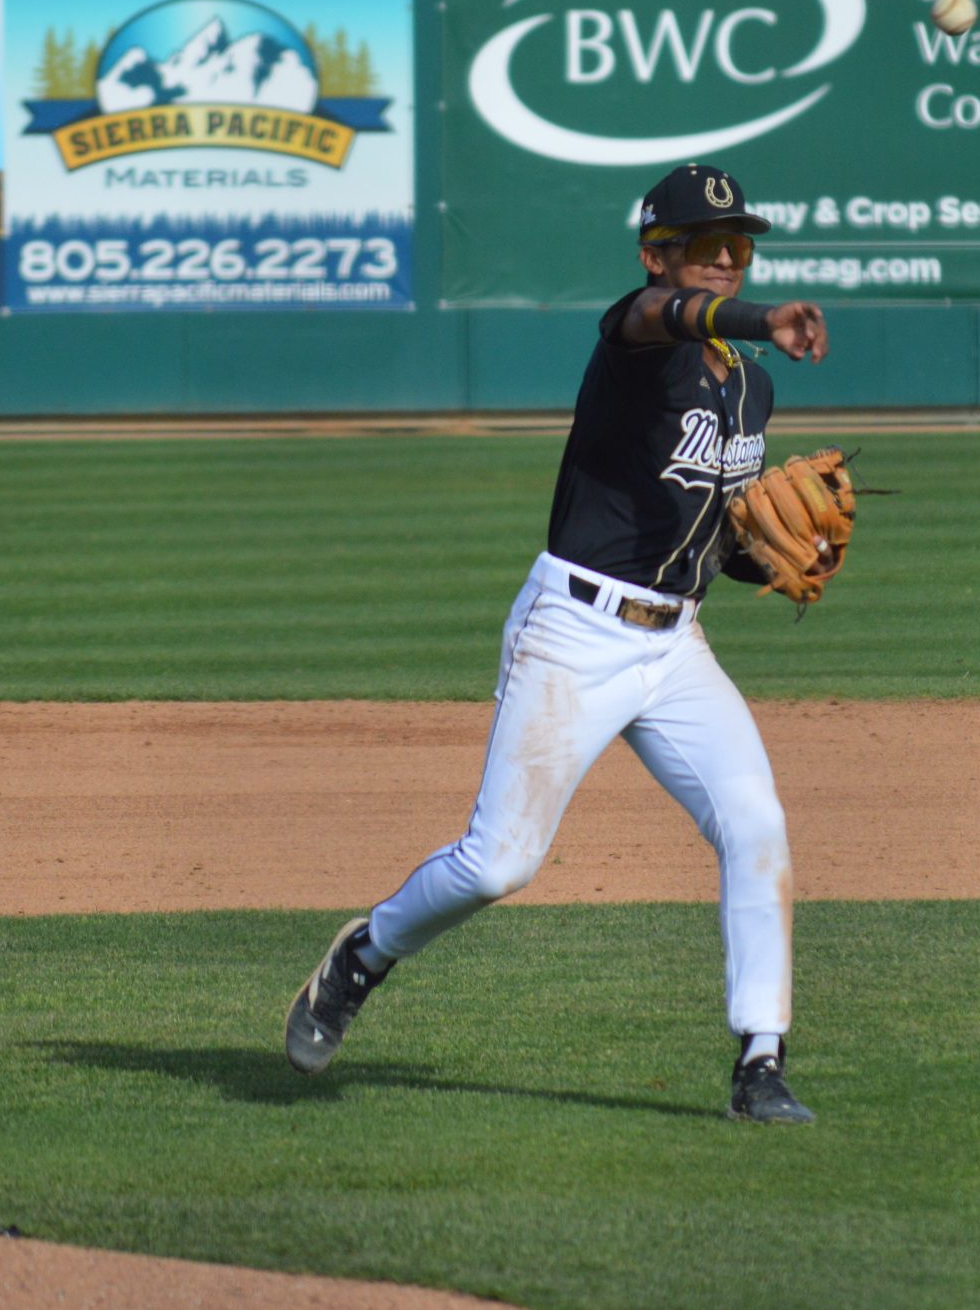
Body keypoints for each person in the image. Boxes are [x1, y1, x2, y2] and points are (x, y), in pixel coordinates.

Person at [285, 161, 831, 1124]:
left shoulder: (751, 395)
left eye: (738, 248)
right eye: (706, 248)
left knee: (757, 824)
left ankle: (760, 1060)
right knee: (500, 864)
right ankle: (363, 956)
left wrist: (774, 559)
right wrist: (765, 318)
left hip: (675, 649)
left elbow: (712, 536)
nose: (726, 263)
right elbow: (665, 317)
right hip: (573, 633)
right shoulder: (636, 338)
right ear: (656, 256)